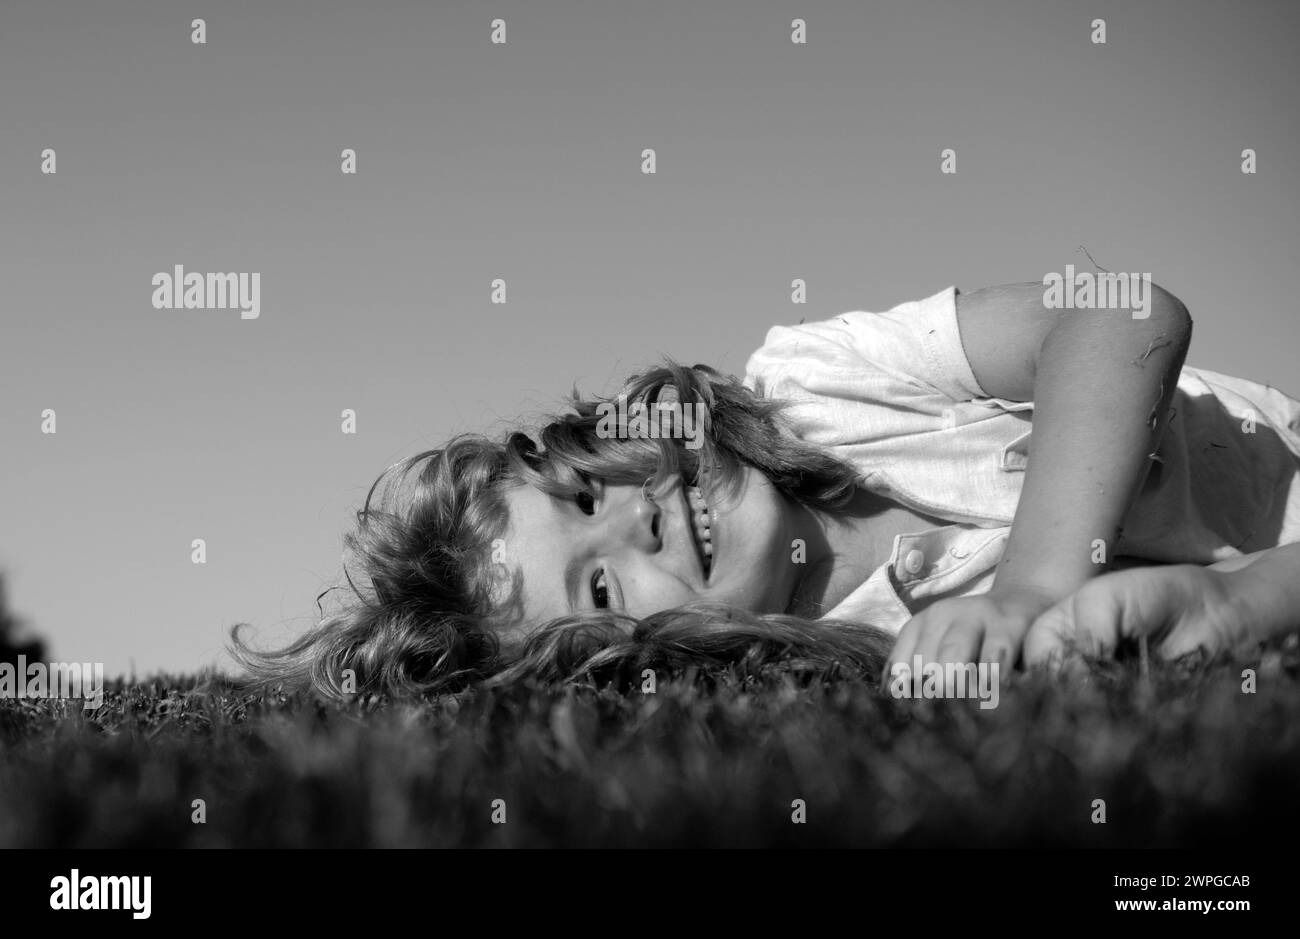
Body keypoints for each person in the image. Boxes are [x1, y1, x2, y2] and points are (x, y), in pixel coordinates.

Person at [232, 280, 1300, 698]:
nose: (635, 522)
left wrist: (1028, 586)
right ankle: (1236, 602)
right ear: (626, 654)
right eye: (600, 592)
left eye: (578, 500)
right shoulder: (859, 658)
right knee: (1111, 641)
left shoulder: (810, 381)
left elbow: (1122, 316)